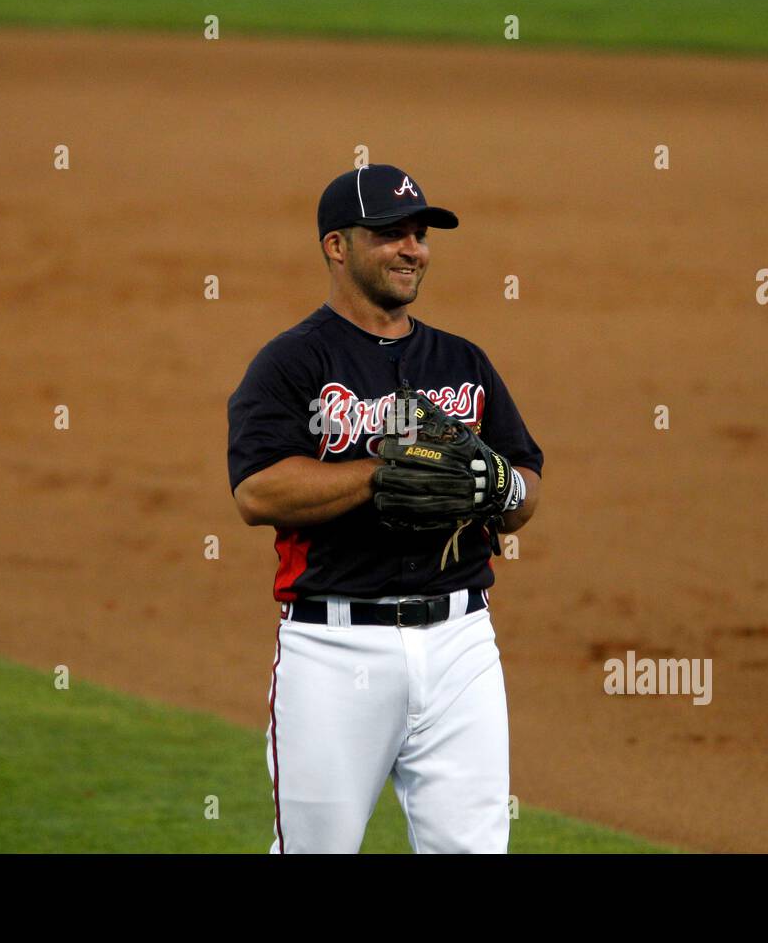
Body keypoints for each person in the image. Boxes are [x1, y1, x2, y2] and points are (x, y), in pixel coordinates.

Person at [227, 164, 543, 853]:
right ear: (337, 246)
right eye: (390, 234)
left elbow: (524, 481)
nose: (412, 249)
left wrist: (500, 489)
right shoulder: (291, 363)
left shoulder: (463, 361)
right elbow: (257, 491)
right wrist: (381, 475)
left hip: (462, 644)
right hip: (333, 650)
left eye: (419, 235)